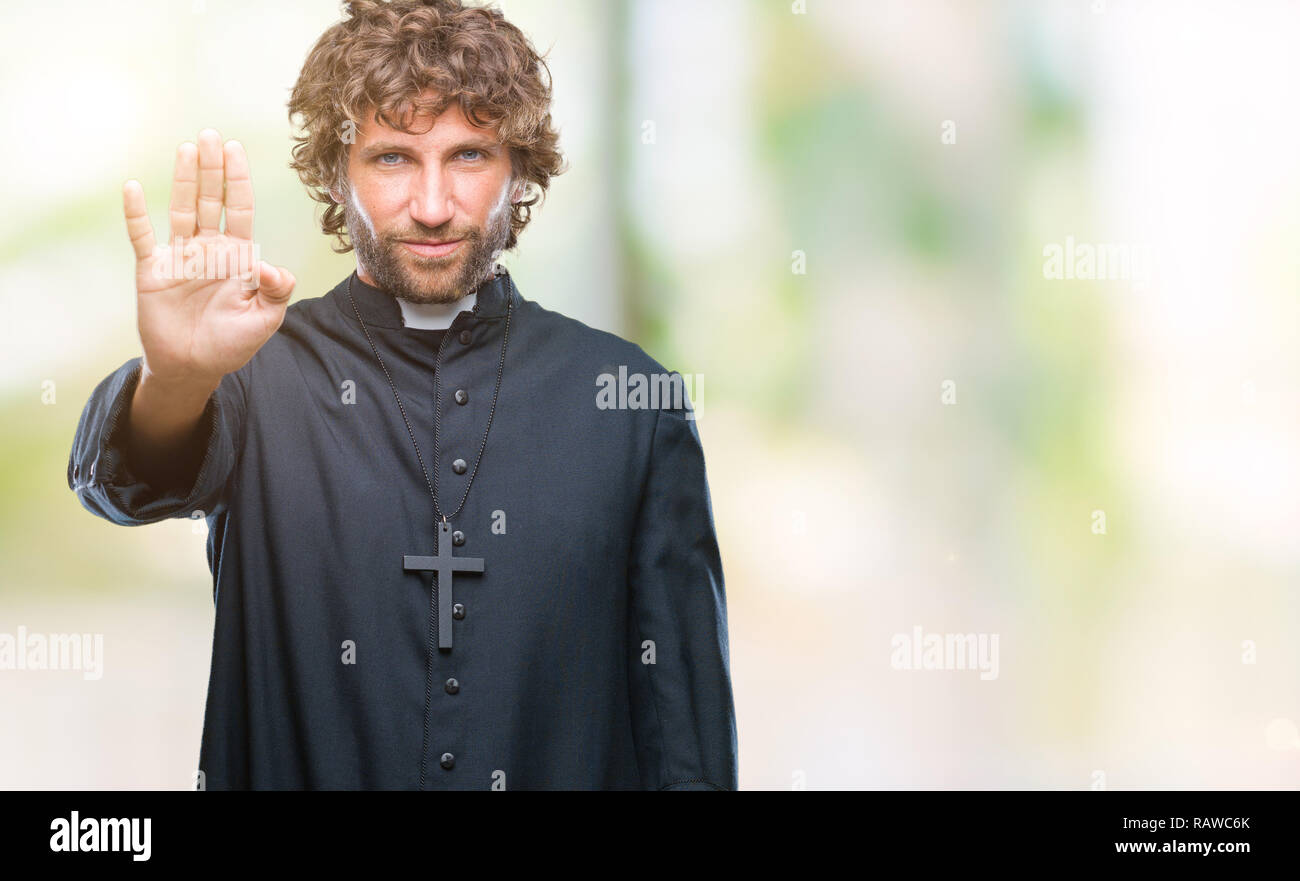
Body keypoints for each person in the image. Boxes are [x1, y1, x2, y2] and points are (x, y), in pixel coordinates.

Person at [67, 0, 737, 790]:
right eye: (391, 158)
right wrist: (178, 375)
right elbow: (123, 482)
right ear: (334, 170)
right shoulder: (248, 373)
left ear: (519, 167)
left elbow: (685, 743)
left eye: (468, 156)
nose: (430, 204)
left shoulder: (633, 404)